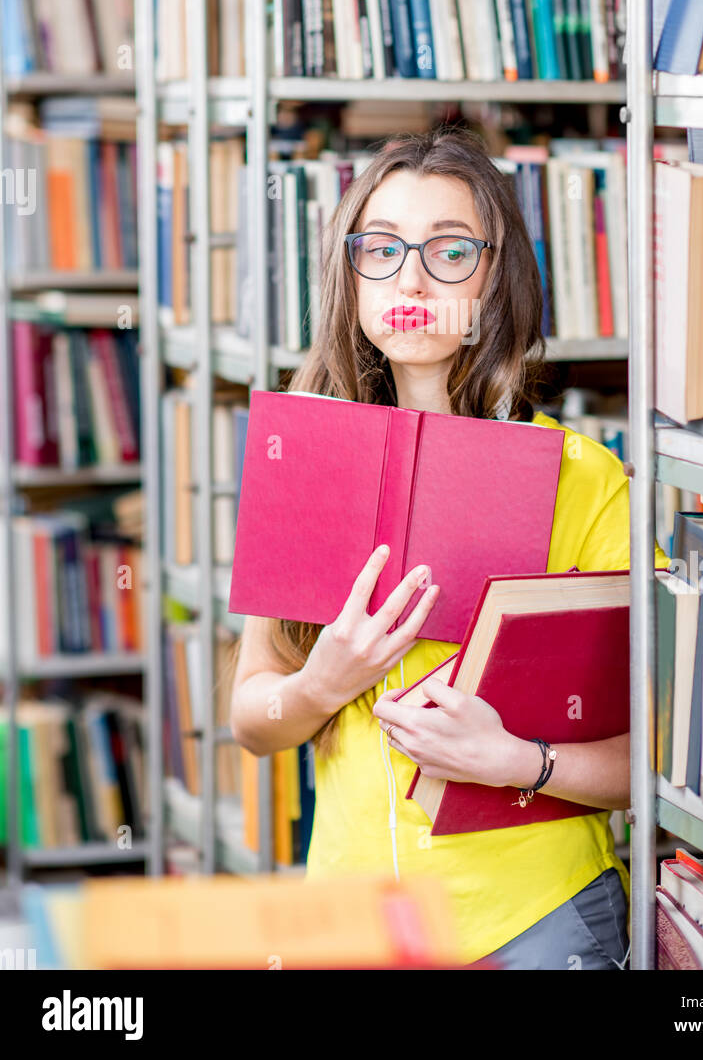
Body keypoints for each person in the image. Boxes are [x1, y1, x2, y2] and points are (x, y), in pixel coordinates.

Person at [231, 126, 659, 970]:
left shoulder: (586, 478)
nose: (412, 280)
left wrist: (515, 761)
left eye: (450, 251)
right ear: (349, 274)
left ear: (497, 274)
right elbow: (252, 723)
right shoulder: (302, 462)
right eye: (381, 250)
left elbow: (648, 759)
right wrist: (323, 683)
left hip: (532, 921)